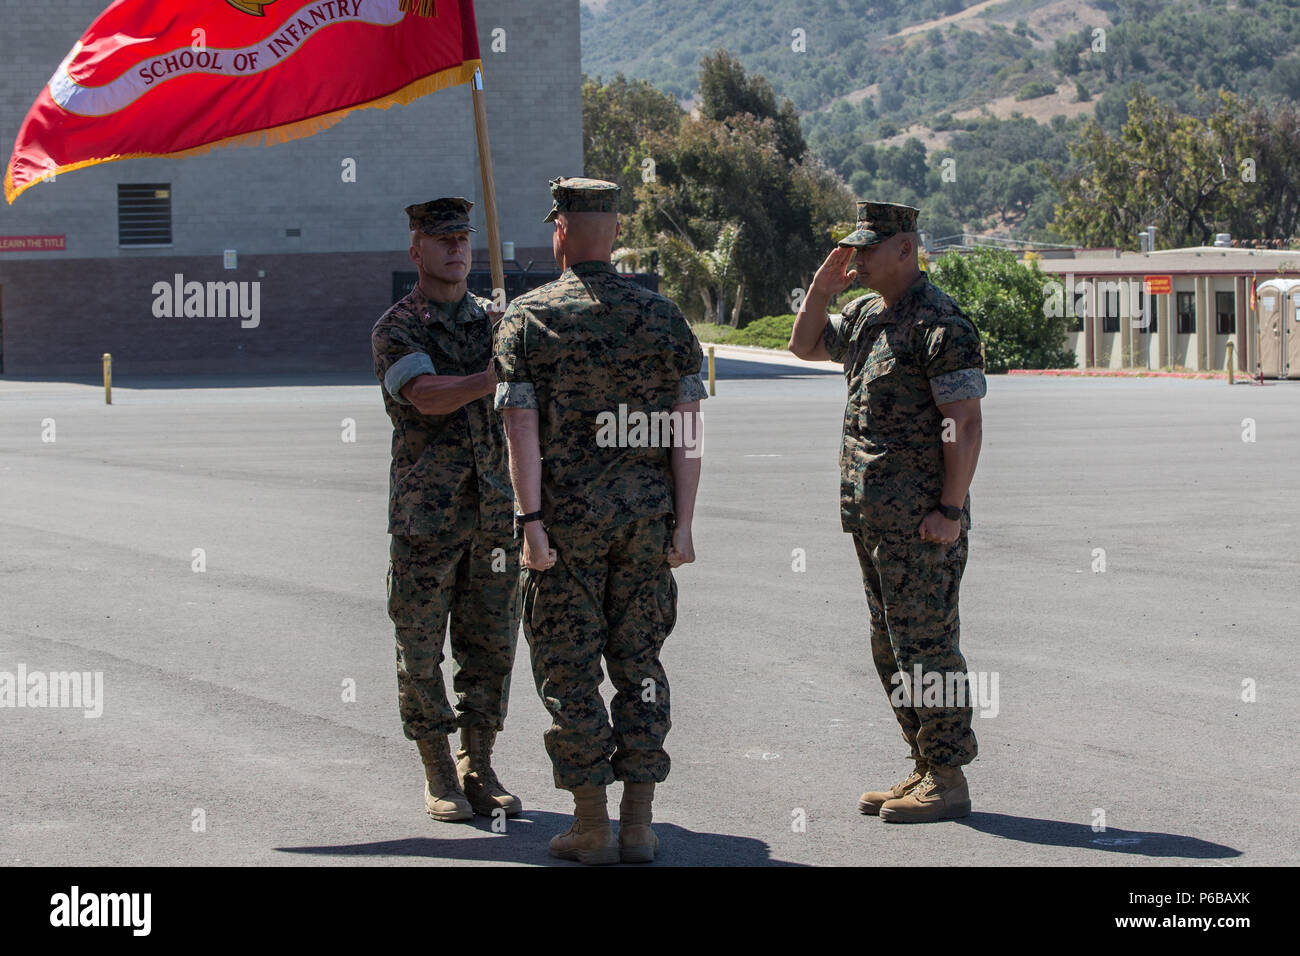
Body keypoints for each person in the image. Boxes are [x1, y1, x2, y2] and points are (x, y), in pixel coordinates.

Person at [493, 177, 706, 863]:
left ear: (560, 229)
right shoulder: (662, 317)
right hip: (647, 522)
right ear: (613, 232)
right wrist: (684, 524)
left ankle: (590, 823)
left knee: (569, 668)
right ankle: (638, 822)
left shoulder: (527, 318)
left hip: (565, 529)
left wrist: (529, 522)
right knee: (640, 665)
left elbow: (520, 426)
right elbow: (688, 428)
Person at [788, 200, 986, 823]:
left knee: (928, 645)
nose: (858, 257)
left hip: (923, 520)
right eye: (854, 247)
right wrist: (821, 287)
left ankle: (949, 775)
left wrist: (949, 508)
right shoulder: (870, 315)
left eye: (868, 248)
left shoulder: (941, 324)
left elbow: (965, 423)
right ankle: (924, 762)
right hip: (873, 518)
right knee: (890, 647)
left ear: (906, 249)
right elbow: (803, 345)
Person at [370, 197, 522, 823]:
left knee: (491, 646)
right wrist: (494, 374)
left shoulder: (499, 320)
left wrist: (520, 335)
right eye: (443, 240)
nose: (457, 249)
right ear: (417, 250)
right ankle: (437, 765)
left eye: (463, 238)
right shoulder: (398, 326)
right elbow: (427, 397)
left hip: (494, 513)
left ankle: (478, 763)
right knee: (420, 646)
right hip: (426, 520)